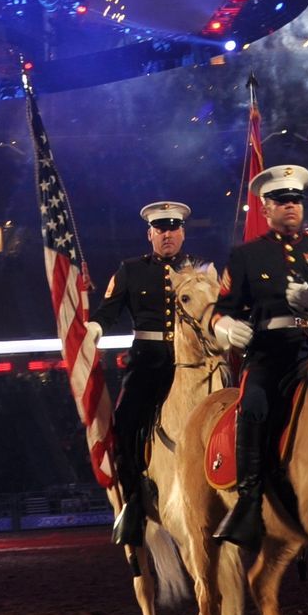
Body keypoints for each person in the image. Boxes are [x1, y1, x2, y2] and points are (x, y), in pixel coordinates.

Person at [210, 165, 308, 549]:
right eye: (281, 201)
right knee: (252, 405)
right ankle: (249, 501)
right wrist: (226, 328)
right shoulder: (247, 255)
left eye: (295, 200)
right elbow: (222, 308)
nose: (290, 207)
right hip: (270, 350)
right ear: (265, 208)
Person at [85, 202, 196, 546]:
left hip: (192, 362)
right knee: (126, 424)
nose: (167, 235)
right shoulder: (131, 271)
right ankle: (133, 504)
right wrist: (93, 330)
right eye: (160, 230)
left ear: (182, 233)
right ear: (150, 234)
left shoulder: (200, 271)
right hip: (149, 364)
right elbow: (108, 312)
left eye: (173, 228)